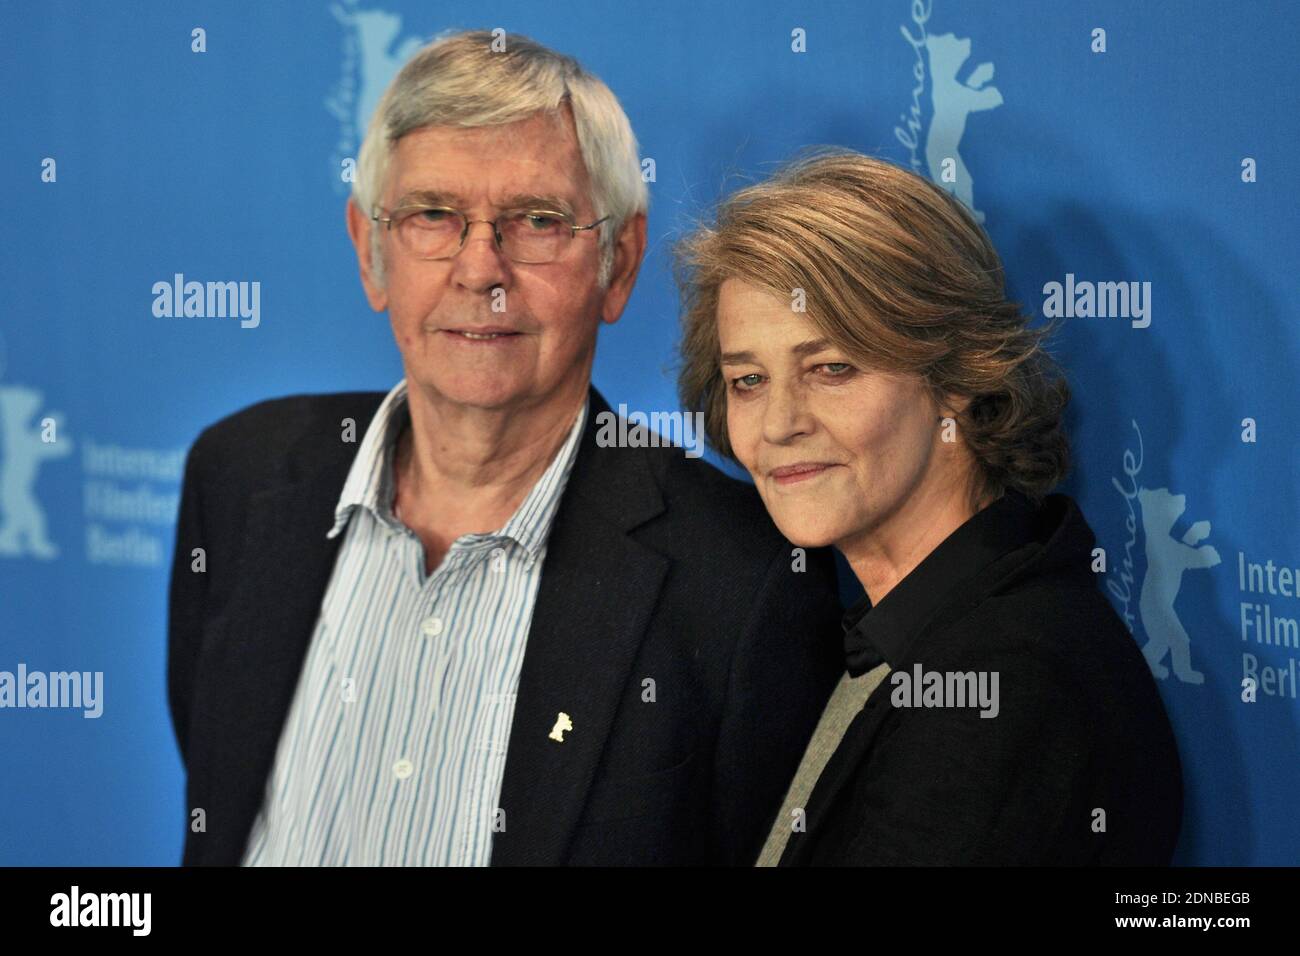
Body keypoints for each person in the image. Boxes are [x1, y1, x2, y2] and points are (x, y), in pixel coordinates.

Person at [166, 30, 843, 867]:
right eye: (433, 216)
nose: (479, 269)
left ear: (619, 264)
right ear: (370, 252)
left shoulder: (742, 577)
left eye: (536, 221)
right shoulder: (240, 477)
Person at [674, 149, 1184, 865]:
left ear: (956, 377)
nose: (779, 422)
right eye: (749, 380)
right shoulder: (901, 629)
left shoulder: (1009, 688)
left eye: (831, 370)